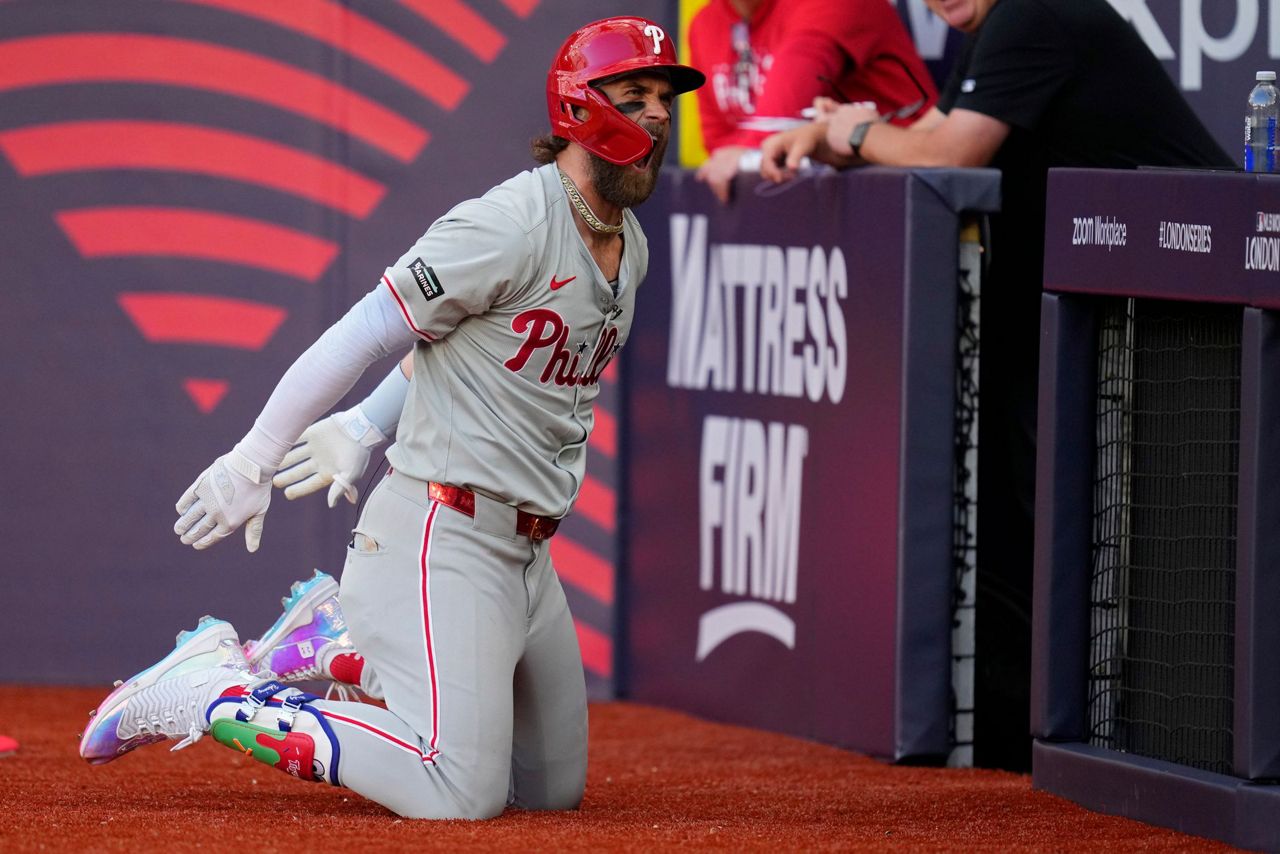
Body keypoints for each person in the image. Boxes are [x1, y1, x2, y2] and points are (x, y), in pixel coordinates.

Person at [78, 16, 704, 820]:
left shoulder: (630, 244)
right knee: (458, 788)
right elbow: (369, 328)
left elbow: (471, 351)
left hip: (528, 550)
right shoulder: (510, 224)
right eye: (636, 92)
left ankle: (339, 644)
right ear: (580, 106)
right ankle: (214, 690)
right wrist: (253, 458)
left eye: (665, 98)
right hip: (446, 531)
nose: (657, 112)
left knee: (550, 794)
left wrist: (364, 426)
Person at [760, 0, 1232, 771]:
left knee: (1153, 546)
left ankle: (1133, 745)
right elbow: (929, 140)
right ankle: (1046, 740)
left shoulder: (1032, 13)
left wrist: (853, 133)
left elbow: (953, 150)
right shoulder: (993, 34)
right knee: (1039, 519)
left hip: (1193, 326)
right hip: (1096, 315)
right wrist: (839, 135)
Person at [690, 0, 935, 202]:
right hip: (824, 192)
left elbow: (776, 121)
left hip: (915, 178)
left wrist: (744, 154)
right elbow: (721, 146)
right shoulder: (705, 24)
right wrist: (740, 155)